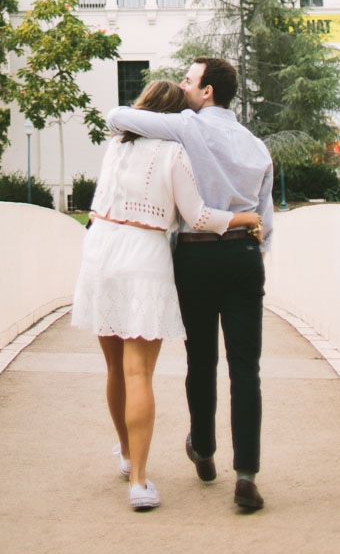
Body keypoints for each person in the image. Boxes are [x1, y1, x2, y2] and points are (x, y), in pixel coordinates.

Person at [72, 77, 261, 512]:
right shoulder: (174, 152)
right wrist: (245, 217)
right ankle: (139, 482)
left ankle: (124, 454)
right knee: (139, 373)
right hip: (143, 254)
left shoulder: (115, 146)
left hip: (100, 250)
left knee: (114, 369)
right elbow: (197, 216)